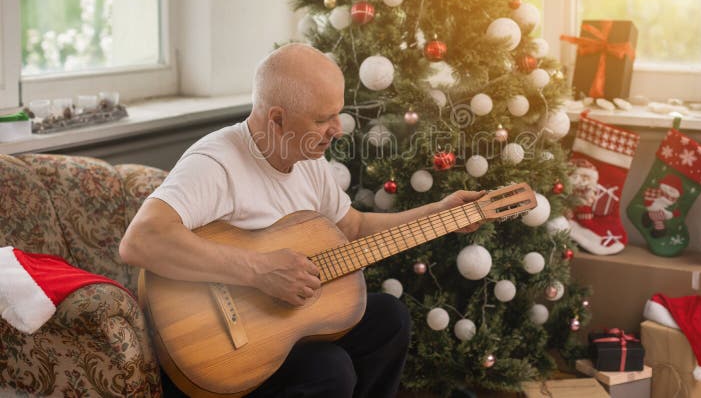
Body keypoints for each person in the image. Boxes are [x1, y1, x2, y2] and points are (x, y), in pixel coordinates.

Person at [119, 43, 485, 398]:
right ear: (277, 119)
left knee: (390, 320)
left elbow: (353, 228)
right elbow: (141, 240)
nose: (338, 129)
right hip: (216, 353)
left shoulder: (308, 159)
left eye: (337, 113)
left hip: (274, 333)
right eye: (322, 119)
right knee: (330, 369)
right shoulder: (215, 163)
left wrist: (441, 214)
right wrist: (259, 271)